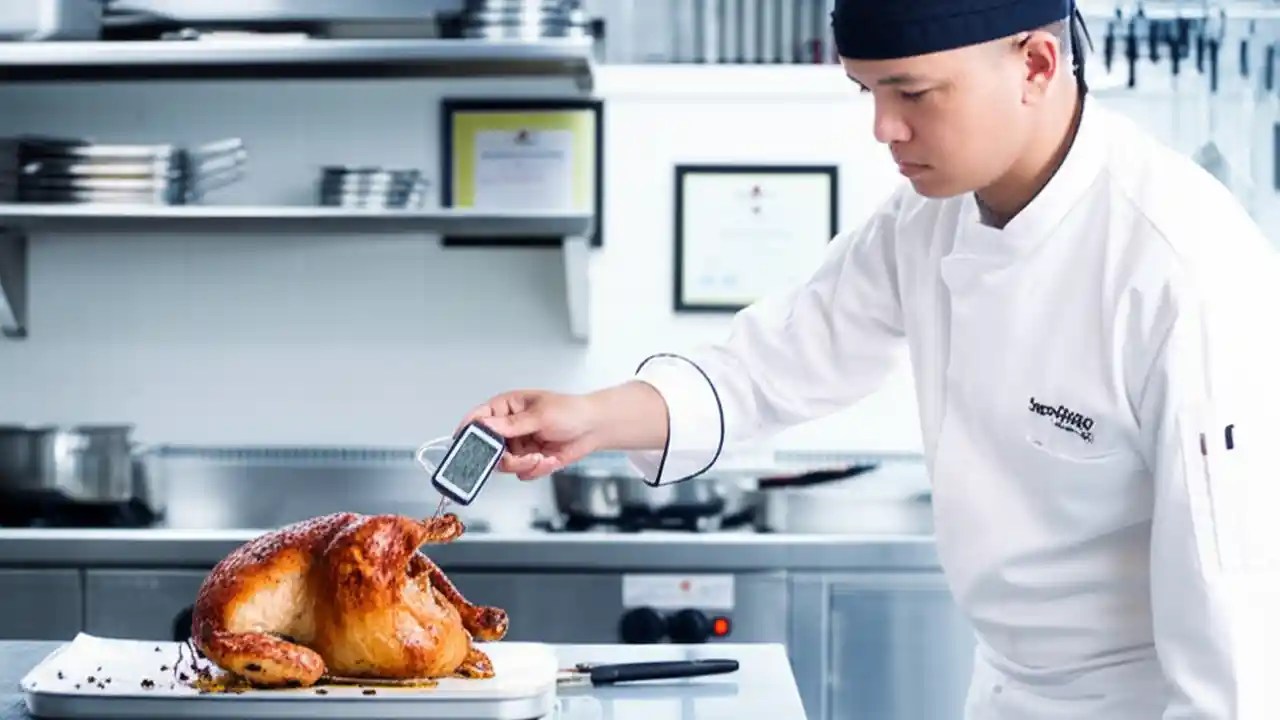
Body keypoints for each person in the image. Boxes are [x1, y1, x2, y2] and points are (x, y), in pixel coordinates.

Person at [457, 0, 1280, 717]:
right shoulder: (930, 220)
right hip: (1004, 690)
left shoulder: (1181, 267)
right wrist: (591, 418)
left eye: (912, 92)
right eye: (869, 91)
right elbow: (771, 365)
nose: (884, 128)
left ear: (1034, 62)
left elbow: (1235, 636)